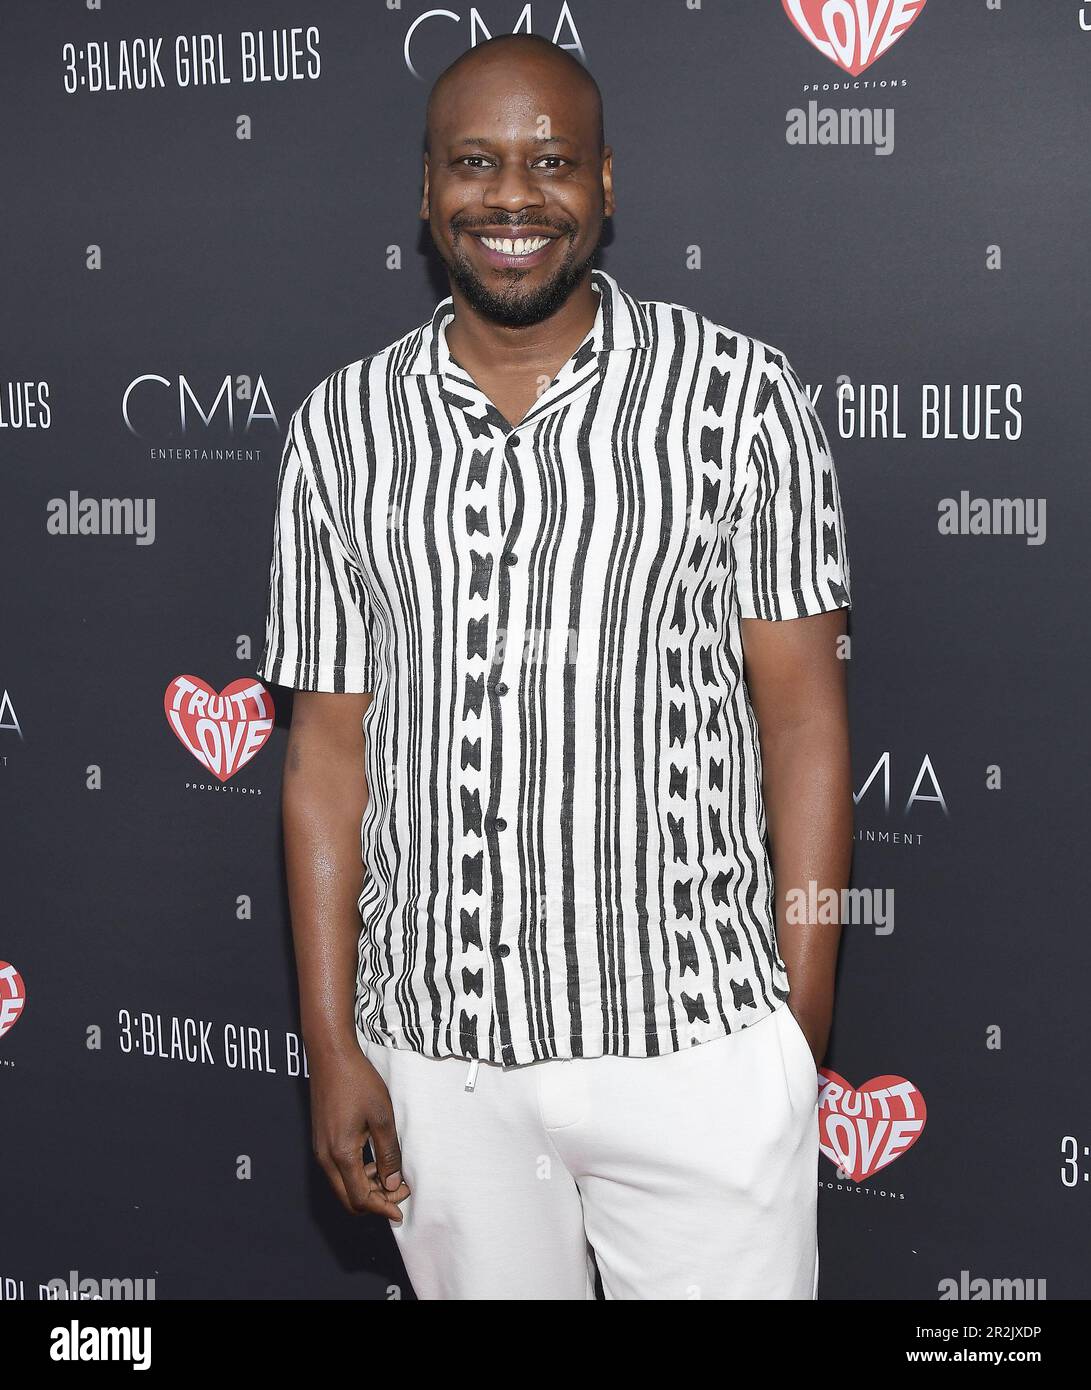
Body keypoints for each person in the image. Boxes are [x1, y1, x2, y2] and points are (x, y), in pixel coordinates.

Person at [256, 33, 853, 1301]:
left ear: (606, 185)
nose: (513, 198)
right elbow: (324, 749)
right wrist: (333, 1041)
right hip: (438, 1060)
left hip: (694, 1045)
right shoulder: (339, 429)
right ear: (426, 194)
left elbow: (801, 722)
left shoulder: (738, 398)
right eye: (475, 163)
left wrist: (790, 1034)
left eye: (551, 162)